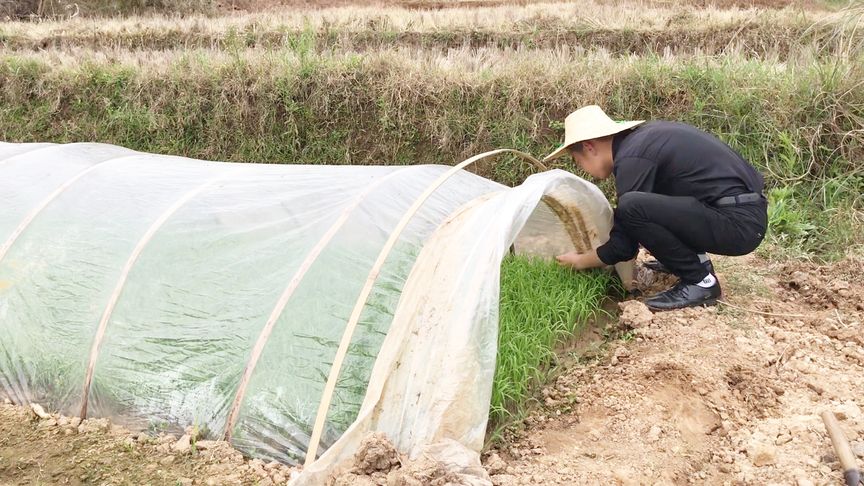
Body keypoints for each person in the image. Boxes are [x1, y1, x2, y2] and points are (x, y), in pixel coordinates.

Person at [546, 105, 767, 310]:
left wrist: (581, 260)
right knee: (641, 204)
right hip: (742, 214)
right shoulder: (643, 142)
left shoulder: (633, 157)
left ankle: (701, 281)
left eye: (578, 161)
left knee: (632, 207)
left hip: (738, 225)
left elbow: (624, 244)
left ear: (589, 147)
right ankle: (695, 263)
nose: (583, 169)